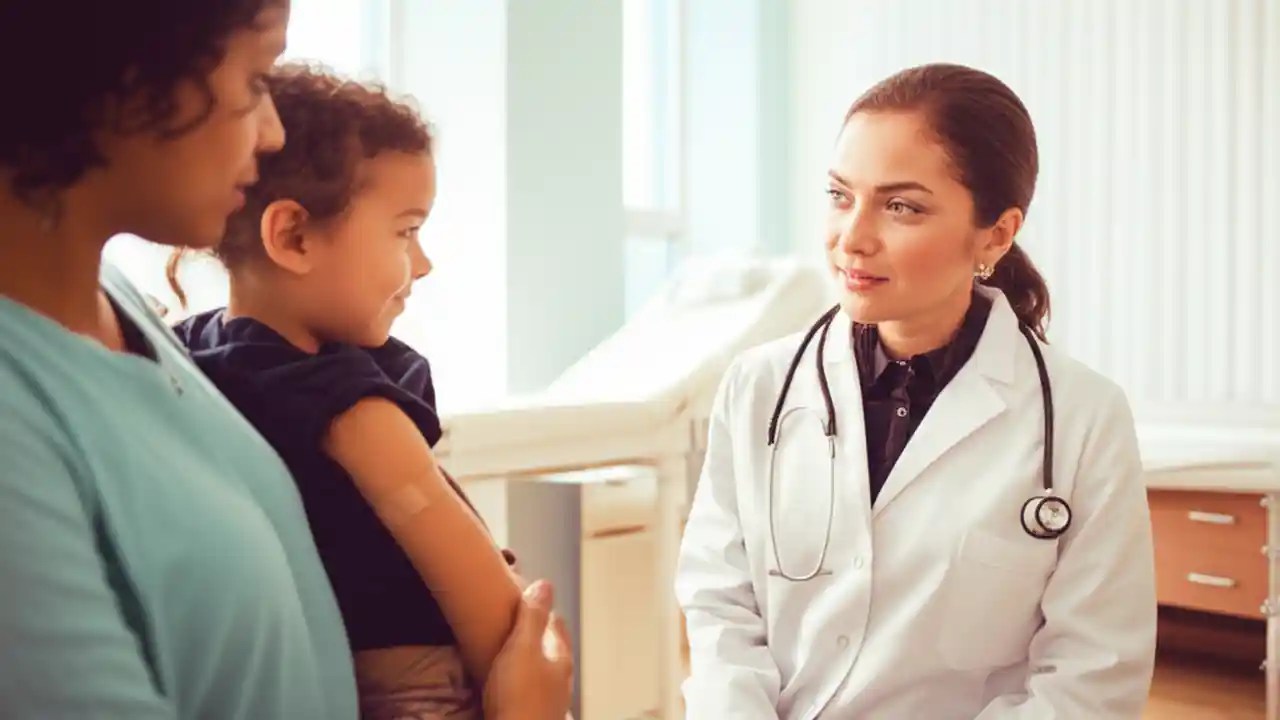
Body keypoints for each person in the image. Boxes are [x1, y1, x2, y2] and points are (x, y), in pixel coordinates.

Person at [0, 2, 570, 718]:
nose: (271, 133)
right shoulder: (23, 421)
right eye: (256, 75)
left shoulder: (135, 314)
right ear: (127, 64)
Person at [675, 63, 1157, 719]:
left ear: (996, 233)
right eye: (841, 195)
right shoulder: (759, 387)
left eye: (901, 206)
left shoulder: (1082, 417)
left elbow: (1092, 671)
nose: (852, 237)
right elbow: (719, 604)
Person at [165, 64, 531, 719]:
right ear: (294, 237)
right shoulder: (348, 402)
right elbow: (474, 586)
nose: (423, 264)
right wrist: (531, 699)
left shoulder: (186, 349)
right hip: (415, 688)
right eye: (406, 231)